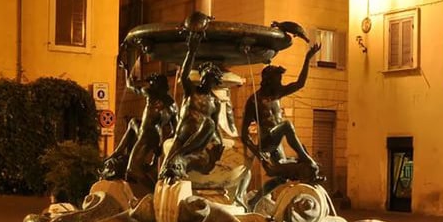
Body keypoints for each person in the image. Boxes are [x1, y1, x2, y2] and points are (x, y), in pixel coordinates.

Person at [240, 42, 323, 184]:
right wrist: (259, 154)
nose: (280, 83)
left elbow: (299, 84)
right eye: (278, 80)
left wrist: (307, 59)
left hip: (276, 142)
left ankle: (254, 201)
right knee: (287, 125)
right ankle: (304, 157)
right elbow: (244, 135)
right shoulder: (254, 101)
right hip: (266, 142)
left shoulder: (277, 94)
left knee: (281, 176)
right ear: (268, 81)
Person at [158, 28, 233, 182]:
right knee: (165, 172)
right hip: (182, 136)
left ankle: (183, 154)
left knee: (210, 123)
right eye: (204, 77)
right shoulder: (191, 91)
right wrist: (191, 50)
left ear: (215, 82)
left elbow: (216, 127)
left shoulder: (215, 102)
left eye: (210, 79)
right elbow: (184, 74)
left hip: (199, 142)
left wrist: (219, 144)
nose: (206, 81)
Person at [99, 64, 178, 195]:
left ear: (156, 85)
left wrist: (127, 70)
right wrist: (162, 146)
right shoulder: (173, 106)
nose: (150, 85)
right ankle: (116, 153)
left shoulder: (150, 94)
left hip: (146, 136)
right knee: (133, 122)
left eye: (152, 83)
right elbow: (175, 130)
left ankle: (156, 192)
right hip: (151, 134)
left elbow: (130, 86)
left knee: (132, 170)